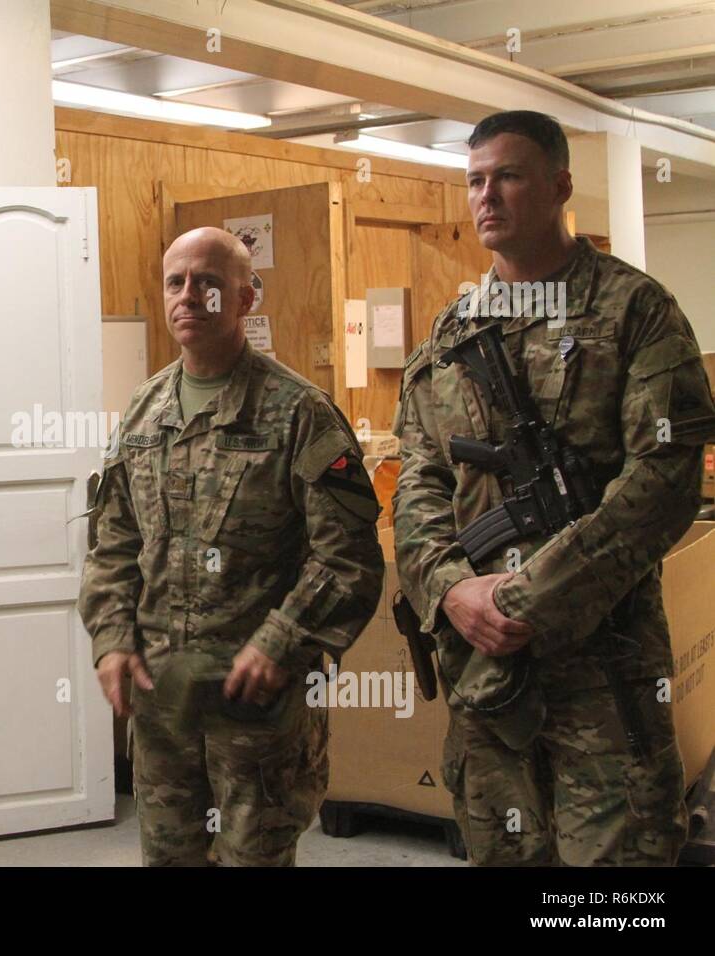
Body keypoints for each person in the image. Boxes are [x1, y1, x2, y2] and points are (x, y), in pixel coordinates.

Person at [393, 110, 715, 866]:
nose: (487, 196)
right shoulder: (451, 334)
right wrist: (449, 589)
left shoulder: (636, 311)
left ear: (560, 185)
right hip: (482, 672)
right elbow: (419, 480)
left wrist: (524, 601)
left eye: (508, 175)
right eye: (474, 180)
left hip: (602, 669)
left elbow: (662, 484)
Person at [79, 227, 384, 866]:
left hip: (258, 713)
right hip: (162, 706)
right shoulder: (144, 413)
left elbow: (347, 556)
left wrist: (281, 641)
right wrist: (110, 637)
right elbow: (113, 542)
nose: (189, 296)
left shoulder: (299, 413)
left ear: (247, 297)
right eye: (175, 282)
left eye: (208, 283)